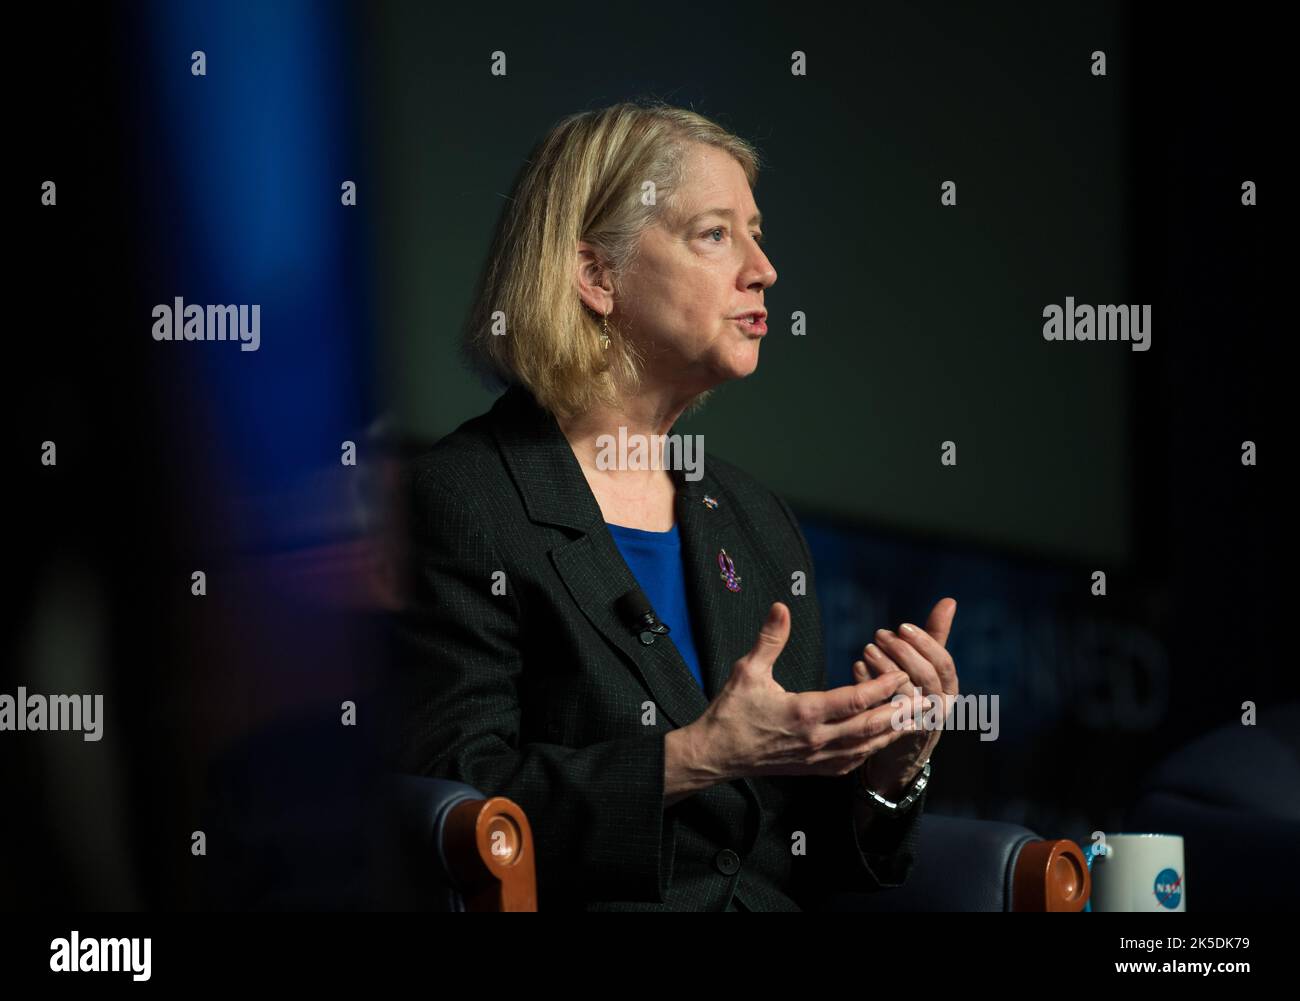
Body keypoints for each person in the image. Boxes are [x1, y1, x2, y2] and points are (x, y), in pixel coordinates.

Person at [387, 100, 960, 911]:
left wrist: (889, 769)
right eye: (716, 234)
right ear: (597, 275)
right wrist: (693, 755)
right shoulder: (466, 500)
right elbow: (459, 810)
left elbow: (798, 858)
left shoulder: (759, 524)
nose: (763, 268)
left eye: (756, 233)